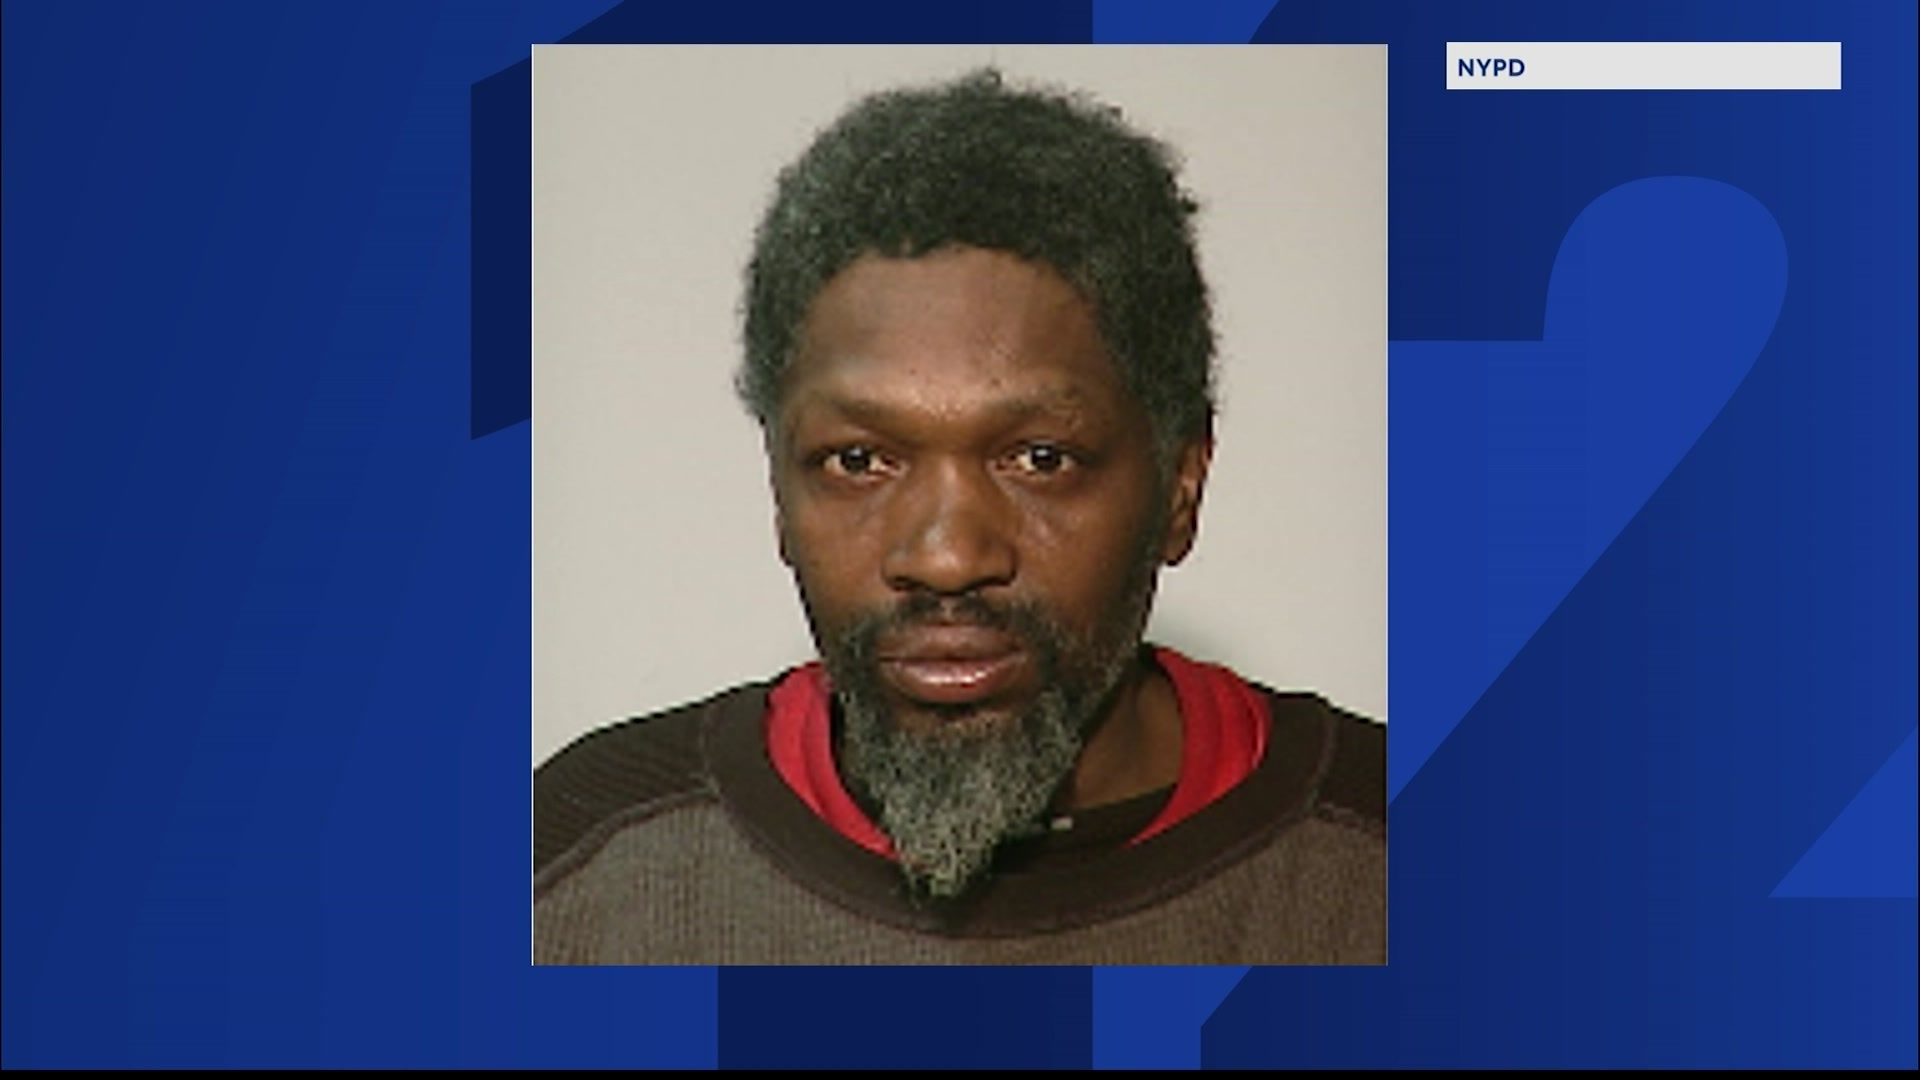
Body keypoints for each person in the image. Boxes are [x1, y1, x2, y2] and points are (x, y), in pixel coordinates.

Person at [533, 68, 1385, 965]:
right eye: (858, 461)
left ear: (1181, 484)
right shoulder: (577, 871)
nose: (946, 557)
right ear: (778, 487)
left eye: (1041, 459)